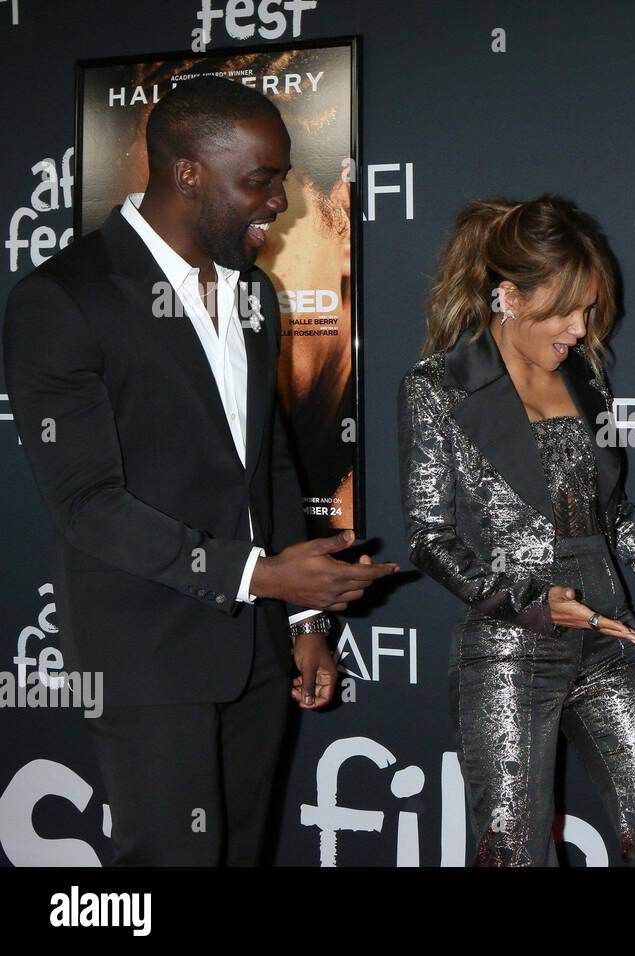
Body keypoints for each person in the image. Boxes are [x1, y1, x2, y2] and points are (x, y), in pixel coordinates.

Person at [2, 77, 397, 866]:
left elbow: (270, 463)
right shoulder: (64, 300)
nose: (279, 201)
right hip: (148, 649)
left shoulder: (254, 295)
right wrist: (265, 578)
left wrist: (303, 624)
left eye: (281, 177)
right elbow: (88, 505)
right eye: (261, 178)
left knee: (240, 855)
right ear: (188, 174)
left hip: (256, 647)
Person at [398, 196, 635, 866]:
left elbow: (609, 516)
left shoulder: (585, 383)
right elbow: (431, 538)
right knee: (515, 855)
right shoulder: (436, 388)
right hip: (509, 647)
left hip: (609, 636)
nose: (581, 329)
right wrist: (530, 600)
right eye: (565, 310)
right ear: (509, 296)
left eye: (589, 309)